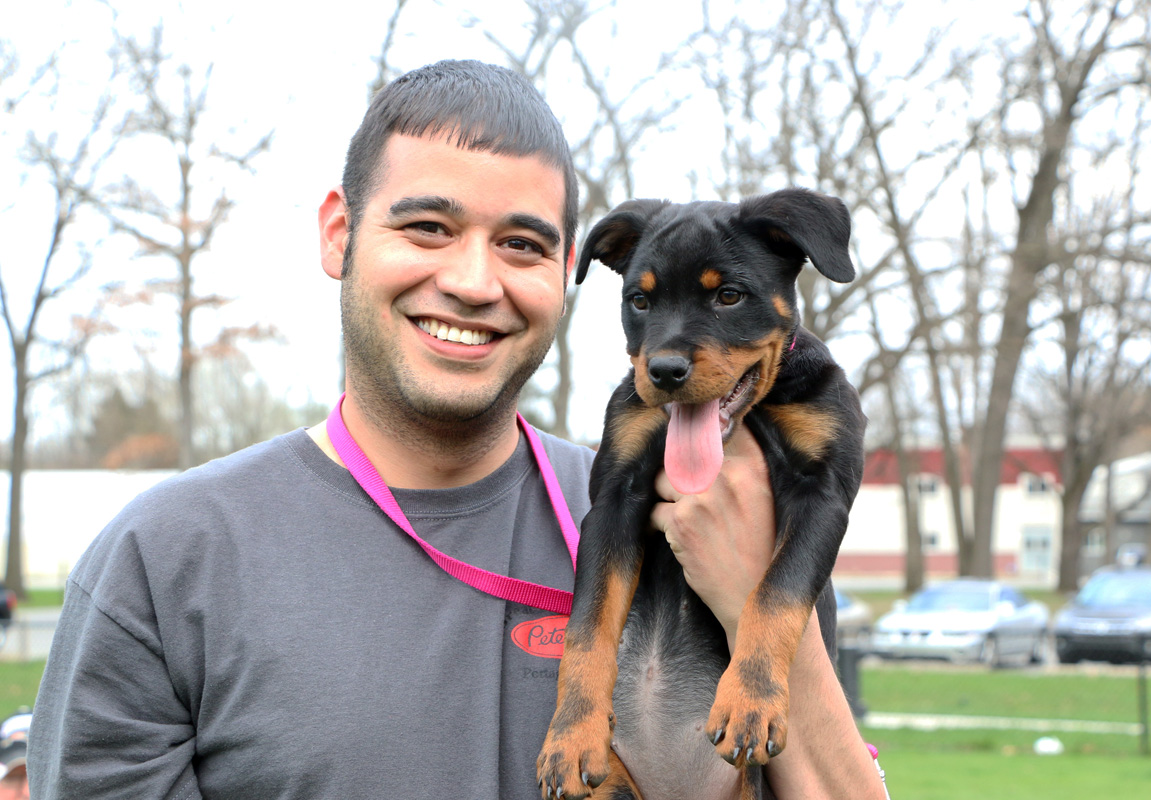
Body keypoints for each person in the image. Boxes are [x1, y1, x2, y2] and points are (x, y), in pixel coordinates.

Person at [28, 60, 885, 798]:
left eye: (520, 244)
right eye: (428, 227)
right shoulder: (165, 563)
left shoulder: (702, 510)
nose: (474, 282)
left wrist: (755, 608)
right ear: (340, 233)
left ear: (562, 272)